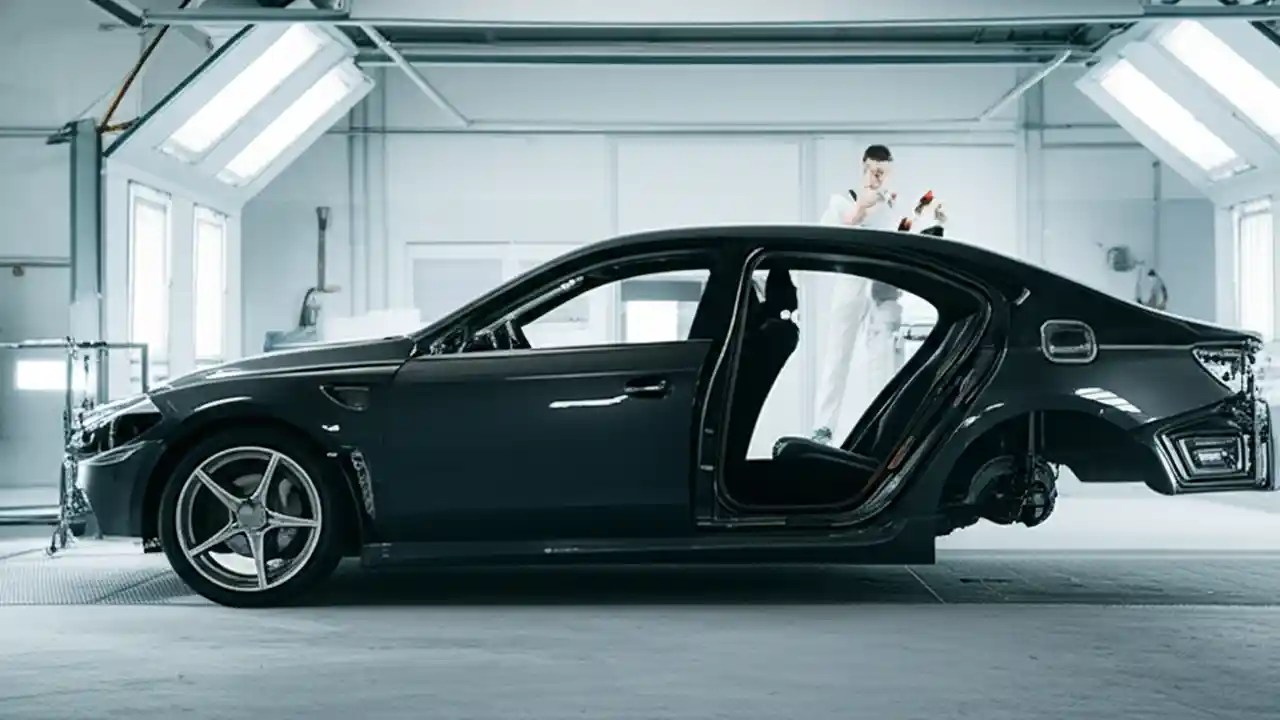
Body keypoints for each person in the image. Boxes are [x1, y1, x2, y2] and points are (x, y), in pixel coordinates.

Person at [811, 145, 947, 446]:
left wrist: (934, 220)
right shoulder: (841, 201)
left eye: (883, 171)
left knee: (883, 359)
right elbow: (832, 232)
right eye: (873, 169)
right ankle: (823, 426)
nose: (877, 175)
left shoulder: (893, 206)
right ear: (864, 166)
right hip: (852, 282)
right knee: (838, 354)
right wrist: (862, 205)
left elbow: (907, 231)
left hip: (884, 286)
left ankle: (884, 427)